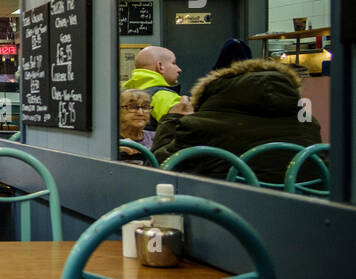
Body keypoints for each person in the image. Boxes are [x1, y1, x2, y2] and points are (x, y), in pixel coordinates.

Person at [152, 58, 322, 182]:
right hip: (303, 214)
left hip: (227, 217)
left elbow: (157, 169)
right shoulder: (309, 125)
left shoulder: (199, 126)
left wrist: (173, 118)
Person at [122, 46, 189, 125]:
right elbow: (182, 129)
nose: (179, 69)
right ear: (160, 66)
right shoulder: (163, 96)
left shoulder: (127, 94)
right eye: (173, 63)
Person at [118, 88, 156, 162]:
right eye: (132, 107)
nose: (140, 113)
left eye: (145, 107)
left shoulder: (155, 138)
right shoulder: (108, 141)